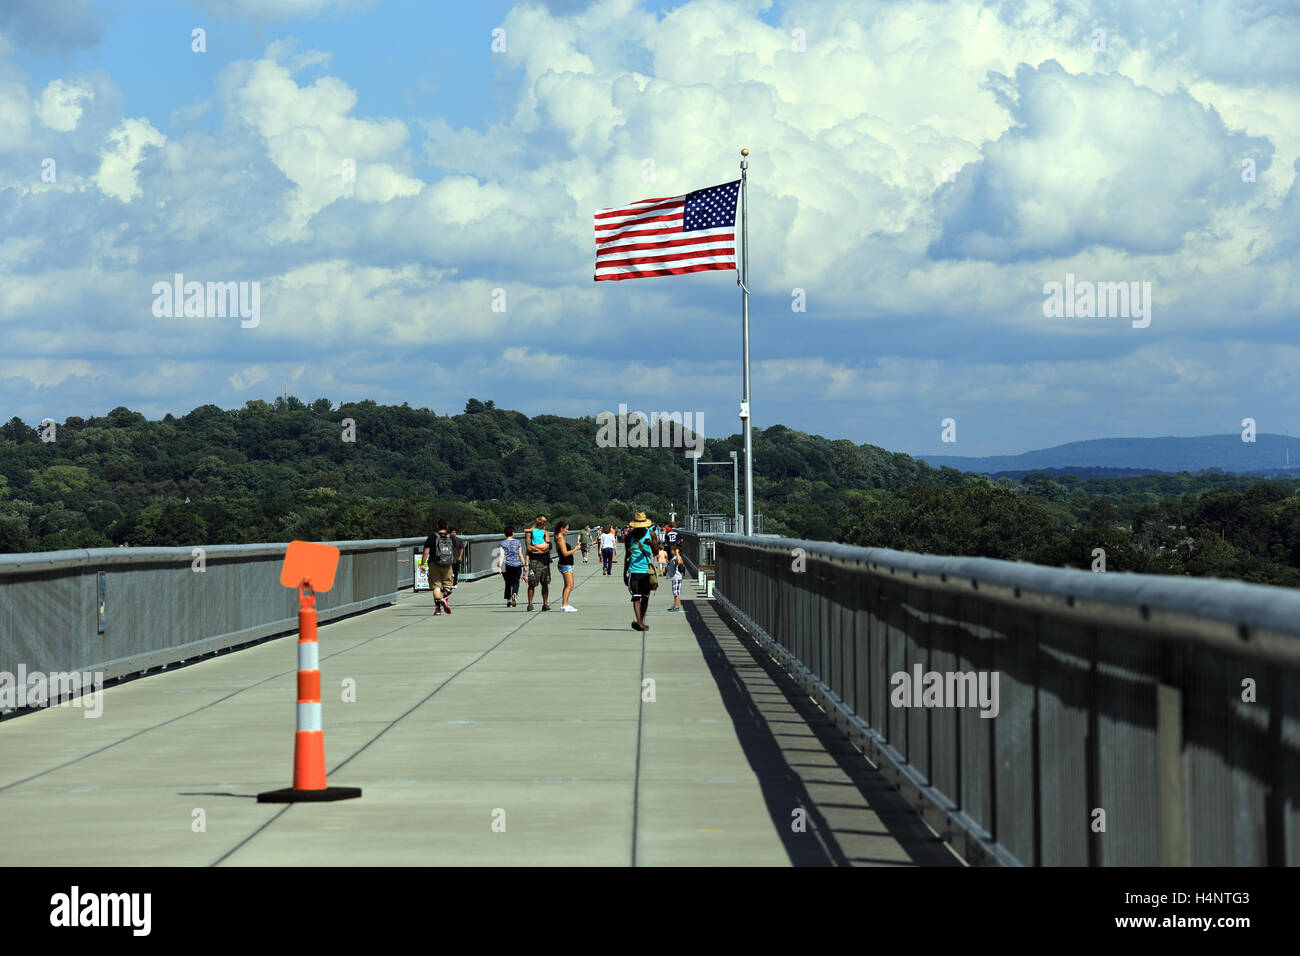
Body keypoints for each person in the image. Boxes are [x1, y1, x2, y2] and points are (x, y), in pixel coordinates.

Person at [624, 512, 659, 631]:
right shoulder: (629, 536)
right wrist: (624, 572)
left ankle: (640, 622)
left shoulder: (651, 534)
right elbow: (627, 554)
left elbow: (656, 552)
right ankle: (639, 622)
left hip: (647, 571)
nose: (639, 529)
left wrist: (651, 544)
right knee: (636, 597)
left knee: (645, 597)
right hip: (634, 571)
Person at [421, 519, 461, 615]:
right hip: (447, 564)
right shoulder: (451, 537)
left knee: (436, 586)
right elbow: (455, 550)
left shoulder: (432, 537)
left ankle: (438, 609)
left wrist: (422, 564)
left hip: (434, 563)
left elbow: (426, 552)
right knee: (448, 585)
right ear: (447, 527)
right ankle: (445, 597)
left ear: (437, 526)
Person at [526, 513, 552, 611]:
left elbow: (549, 545)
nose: (544, 523)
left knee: (545, 583)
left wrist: (543, 550)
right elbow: (528, 547)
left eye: (545, 521)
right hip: (534, 561)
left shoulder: (545, 532)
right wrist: (539, 550)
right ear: (538, 520)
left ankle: (545, 604)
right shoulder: (530, 532)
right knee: (532, 583)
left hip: (545, 561)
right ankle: (530, 604)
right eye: (543, 521)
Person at [555, 521, 579, 611]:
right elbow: (565, 553)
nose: (567, 531)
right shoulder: (560, 538)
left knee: (568, 585)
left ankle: (565, 604)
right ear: (562, 528)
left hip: (567, 564)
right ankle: (564, 605)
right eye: (566, 529)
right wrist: (575, 549)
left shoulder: (560, 537)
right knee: (570, 585)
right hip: (565, 564)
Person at [500, 524, 524, 607]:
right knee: (516, 582)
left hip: (505, 565)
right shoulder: (517, 542)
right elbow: (520, 554)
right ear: (512, 533)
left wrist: (500, 566)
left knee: (507, 583)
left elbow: (501, 556)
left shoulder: (502, 543)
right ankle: (514, 593)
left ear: (505, 534)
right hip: (517, 565)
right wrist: (524, 564)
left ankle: (509, 601)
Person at [668, 546, 685, 611]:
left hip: (677, 578)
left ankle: (677, 606)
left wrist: (677, 553)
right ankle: (675, 605)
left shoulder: (677, 557)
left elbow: (679, 562)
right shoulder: (674, 557)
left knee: (676, 592)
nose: (670, 551)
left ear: (675, 551)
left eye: (672, 550)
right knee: (674, 592)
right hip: (674, 578)